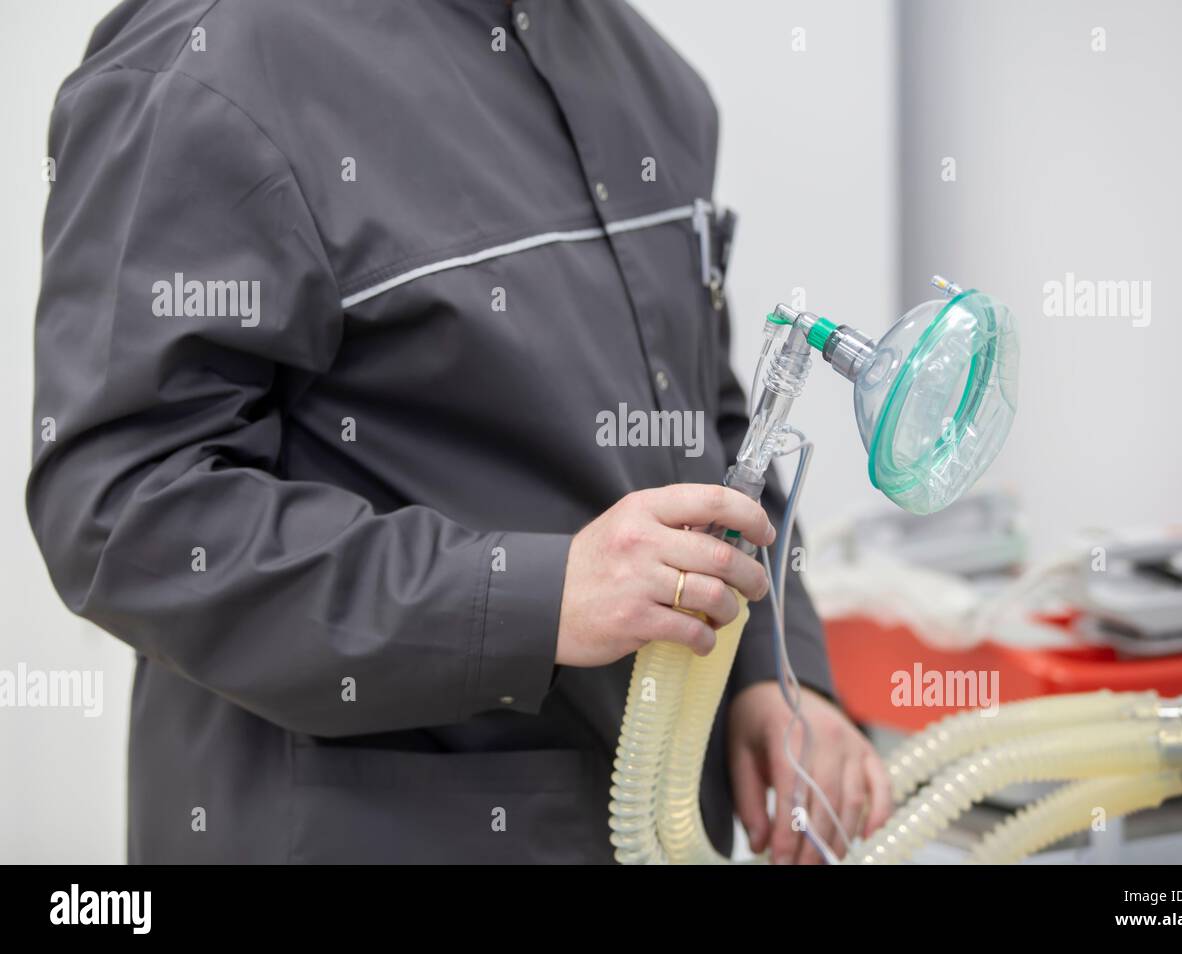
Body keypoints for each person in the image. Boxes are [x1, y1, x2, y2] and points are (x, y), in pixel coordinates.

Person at [28, 0, 890, 864]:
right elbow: (127, 512)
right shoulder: (209, 64)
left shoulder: (649, 74)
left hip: (653, 827)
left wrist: (777, 677)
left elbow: (709, 410)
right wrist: (530, 597)